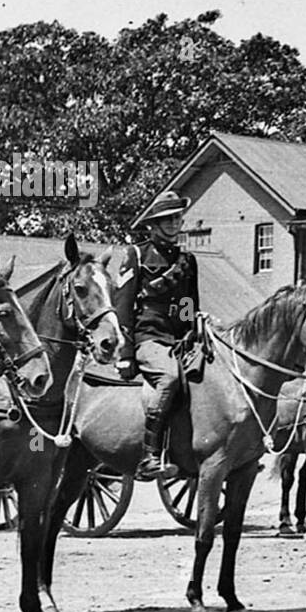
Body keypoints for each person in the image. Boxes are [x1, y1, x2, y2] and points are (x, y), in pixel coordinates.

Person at [114, 191, 201, 481]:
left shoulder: (187, 260)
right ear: (153, 225)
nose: (175, 223)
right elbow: (123, 306)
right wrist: (126, 354)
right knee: (169, 378)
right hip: (148, 336)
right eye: (168, 219)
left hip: (180, 339)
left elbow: (189, 304)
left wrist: (191, 335)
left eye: (177, 217)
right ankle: (149, 456)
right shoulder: (136, 255)